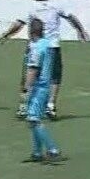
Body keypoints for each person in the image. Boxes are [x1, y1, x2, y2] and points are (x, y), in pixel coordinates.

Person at [0, 0, 88, 120]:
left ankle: (24, 106)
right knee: (54, 77)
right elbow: (71, 18)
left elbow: (19, 24)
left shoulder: (31, 7)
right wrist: (80, 31)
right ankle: (50, 106)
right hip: (51, 46)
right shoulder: (56, 5)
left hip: (35, 46)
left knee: (30, 75)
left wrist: (6, 34)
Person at [22, 19, 64, 164]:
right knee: (34, 120)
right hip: (46, 85)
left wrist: (26, 88)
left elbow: (33, 69)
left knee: (33, 119)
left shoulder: (36, 48)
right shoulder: (47, 44)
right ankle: (37, 152)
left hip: (38, 87)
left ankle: (52, 148)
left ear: (31, 31)